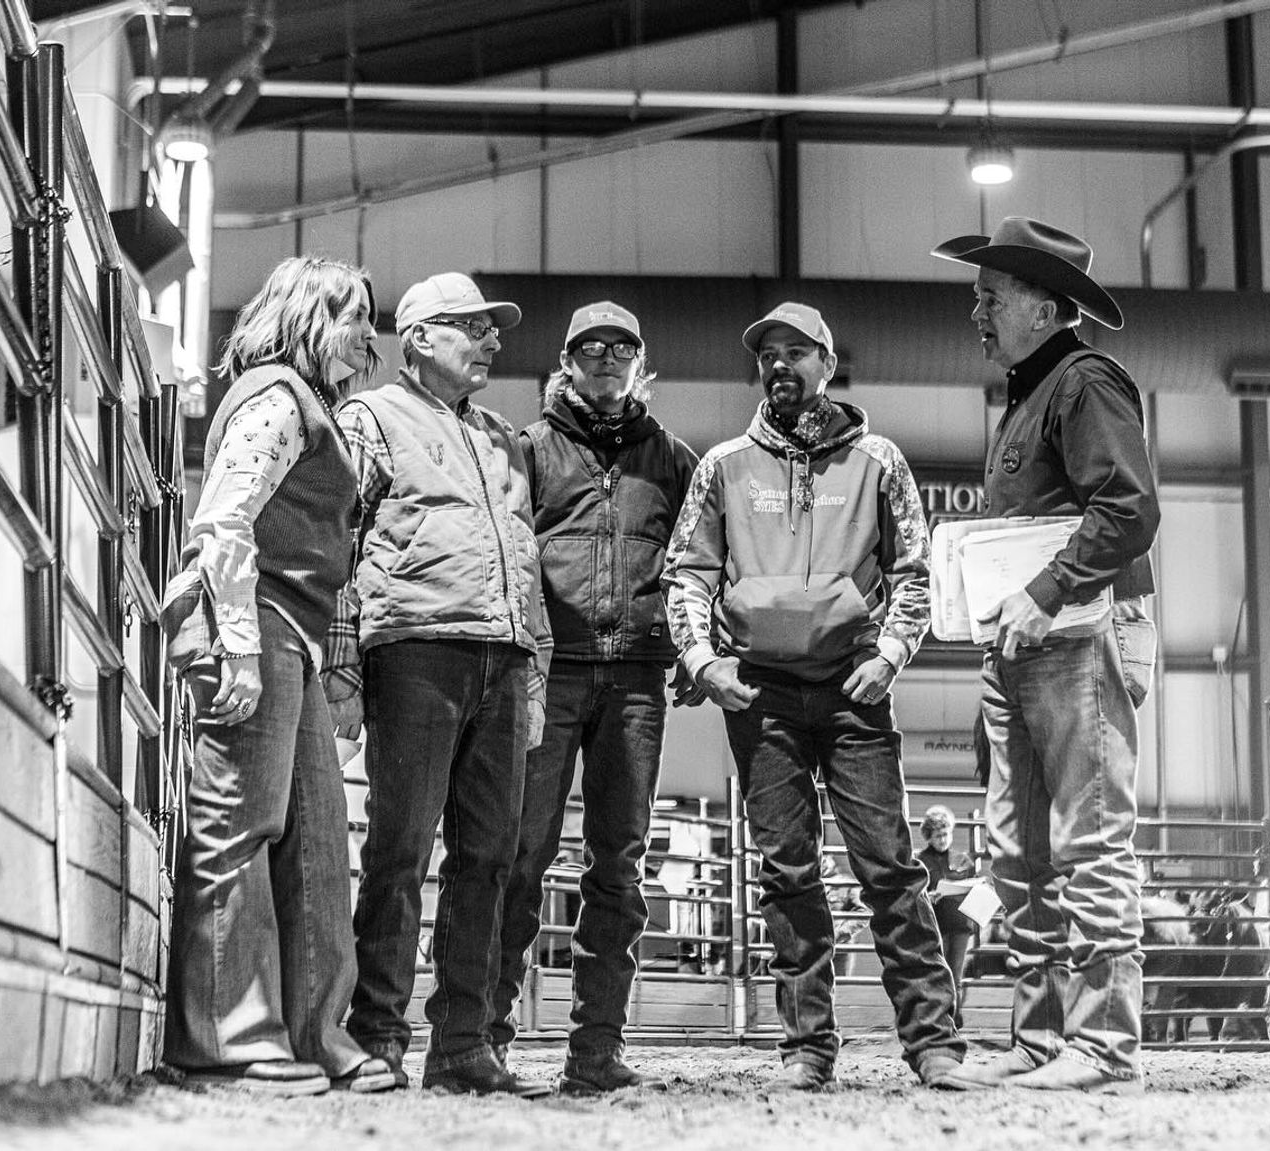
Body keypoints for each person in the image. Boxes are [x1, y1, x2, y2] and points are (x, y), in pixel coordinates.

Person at [663, 302, 976, 1093]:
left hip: (852, 688)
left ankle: (933, 1042)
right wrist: (702, 661)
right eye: (767, 352)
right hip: (759, 693)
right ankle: (808, 1046)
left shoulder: (880, 461)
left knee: (890, 868)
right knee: (786, 871)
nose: (779, 363)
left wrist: (893, 654)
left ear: (827, 364)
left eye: (796, 351)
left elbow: (914, 572)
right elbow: (689, 573)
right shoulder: (723, 466)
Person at [931, 217, 1161, 1094]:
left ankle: (1103, 1046)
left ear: (1042, 305)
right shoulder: (1037, 392)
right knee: (1018, 847)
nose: (977, 310)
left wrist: (1043, 590)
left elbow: (1129, 509)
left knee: (1089, 837)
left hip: (1070, 636)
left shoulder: (1084, 382)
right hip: (1025, 641)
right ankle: (1041, 1036)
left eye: (990, 295)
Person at [162, 255, 393, 1096]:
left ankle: (313, 1031)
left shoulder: (310, 408)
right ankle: (223, 1038)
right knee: (239, 824)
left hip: (287, 624)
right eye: (354, 317)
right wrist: (241, 647)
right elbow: (222, 520)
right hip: (252, 617)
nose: (369, 335)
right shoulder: (276, 397)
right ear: (308, 316)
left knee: (318, 839)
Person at [322, 272, 553, 1098]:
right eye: (473, 327)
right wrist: (343, 664)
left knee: (490, 857)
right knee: (400, 850)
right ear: (418, 336)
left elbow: (524, 562)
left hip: (503, 655)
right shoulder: (370, 419)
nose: (492, 340)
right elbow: (339, 545)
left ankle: (463, 1042)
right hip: (416, 649)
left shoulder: (501, 437)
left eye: (494, 329)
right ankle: (376, 1032)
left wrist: (534, 676)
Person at [488, 302, 698, 1094]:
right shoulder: (528, 450)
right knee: (520, 852)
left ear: (638, 362)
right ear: (567, 359)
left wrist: (689, 646)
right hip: (552, 671)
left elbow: (694, 565)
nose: (606, 357)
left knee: (621, 862)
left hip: (638, 676)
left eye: (622, 347)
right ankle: (488, 1037)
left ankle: (594, 1049)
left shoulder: (672, 460)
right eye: (590, 346)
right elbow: (508, 550)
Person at [916, 805, 978, 1027]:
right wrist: (929, 896)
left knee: (956, 974)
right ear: (928, 837)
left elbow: (976, 888)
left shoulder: (964, 860)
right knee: (937, 974)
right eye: (937, 835)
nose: (943, 839)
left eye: (946, 834)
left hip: (961, 923)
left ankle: (954, 1020)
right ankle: (938, 1018)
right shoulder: (921, 861)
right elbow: (916, 892)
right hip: (935, 925)